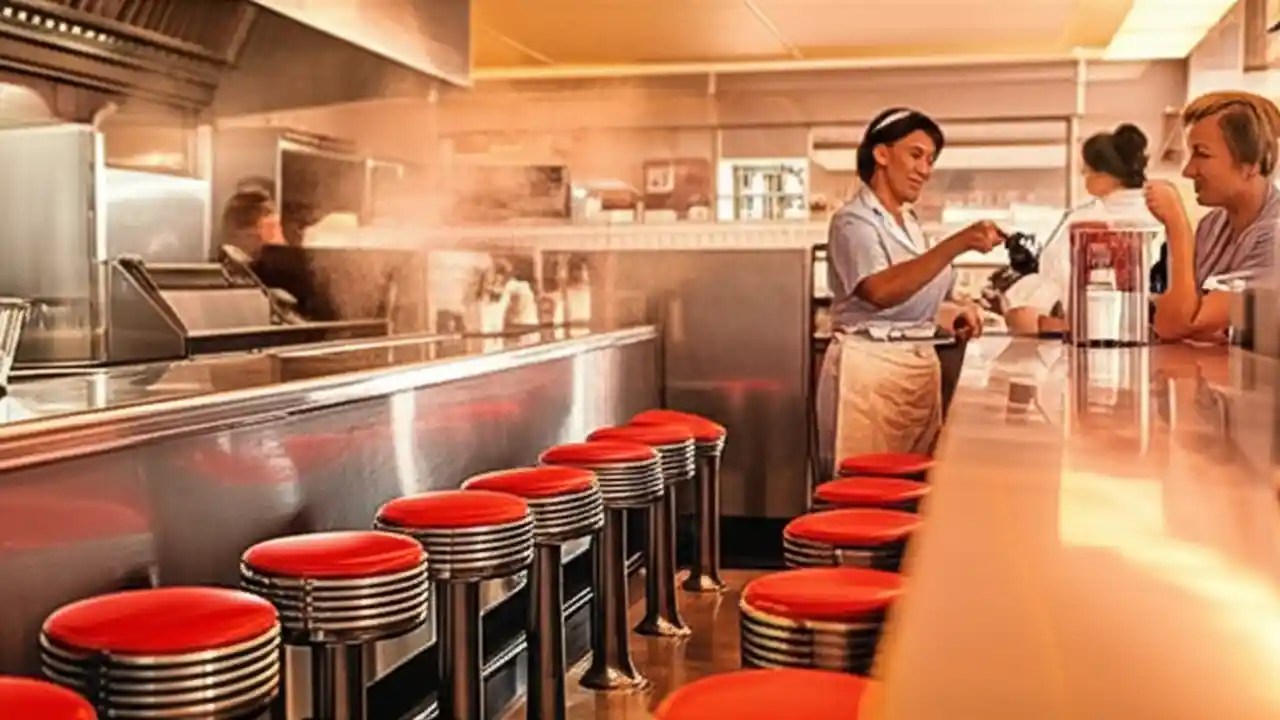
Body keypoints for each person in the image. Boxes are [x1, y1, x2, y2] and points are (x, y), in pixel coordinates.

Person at [816, 107, 1002, 474]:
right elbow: (880, 291)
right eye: (916, 155)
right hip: (869, 374)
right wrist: (957, 243)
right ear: (881, 154)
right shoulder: (853, 221)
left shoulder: (910, 223)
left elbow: (918, 297)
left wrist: (954, 312)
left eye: (931, 160)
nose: (925, 170)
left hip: (916, 371)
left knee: (912, 493)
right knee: (867, 495)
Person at [1145, 91, 1280, 342]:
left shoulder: (1274, 238)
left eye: (1202, 154)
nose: (1188, 171)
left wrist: (1177, 225)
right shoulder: (1213, 225)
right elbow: (1170, 319)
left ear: (1251, 164)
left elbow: (1180, 325)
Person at [1003, 124, 1161, 335]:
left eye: (1087, 170)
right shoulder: (1163, 213)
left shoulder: (1084, 220)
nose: (1083, 175)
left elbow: (1050, 281)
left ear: (1106, 174)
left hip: (1085, 330)